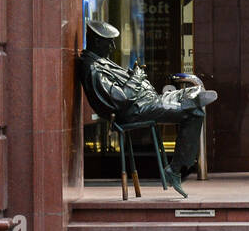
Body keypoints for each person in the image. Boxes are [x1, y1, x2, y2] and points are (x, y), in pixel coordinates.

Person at [76, 20, 216, 196]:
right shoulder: (92, 67)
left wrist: (136, 77)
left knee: (191, 101)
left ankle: (190, 96)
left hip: (144, 101)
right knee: (194, 113)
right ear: (97, 42)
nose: (112, 46)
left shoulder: (101, 61)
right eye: (109, 42)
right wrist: (136, 78)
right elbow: (121, 98)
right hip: (133, 111)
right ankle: (175, 168)